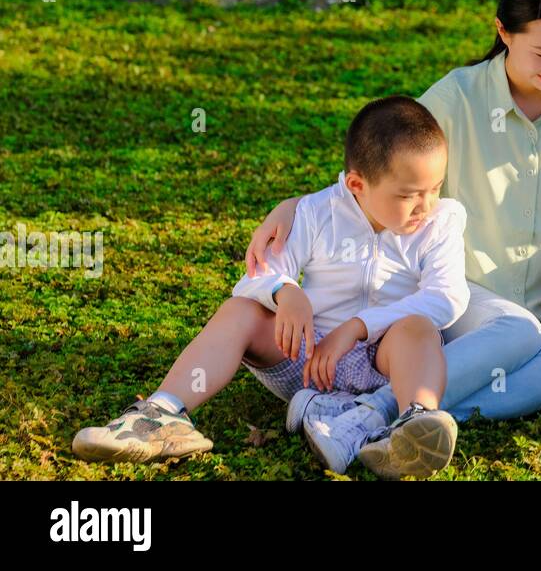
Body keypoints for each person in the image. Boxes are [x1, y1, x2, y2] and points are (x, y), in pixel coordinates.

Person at [246, 0, 541, 478]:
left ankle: (364, 413)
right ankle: (388, 411)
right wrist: (292, 205)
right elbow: (376, 179)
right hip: (459, 301)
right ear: (502, 32)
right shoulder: (455, 99)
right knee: (518, 332)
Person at [73, 96, 468, 479]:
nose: (426, 205)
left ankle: (413, 421)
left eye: (434, 188)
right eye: (408, 195)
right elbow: (254, 278)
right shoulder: (314, 213)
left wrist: (358, 327)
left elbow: (446, 296)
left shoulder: (443, 222)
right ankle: (162, 414)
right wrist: (284, 291)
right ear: (357, 184)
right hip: (309, 358)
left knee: (419, 327)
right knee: (240, 311)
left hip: (387, 361)